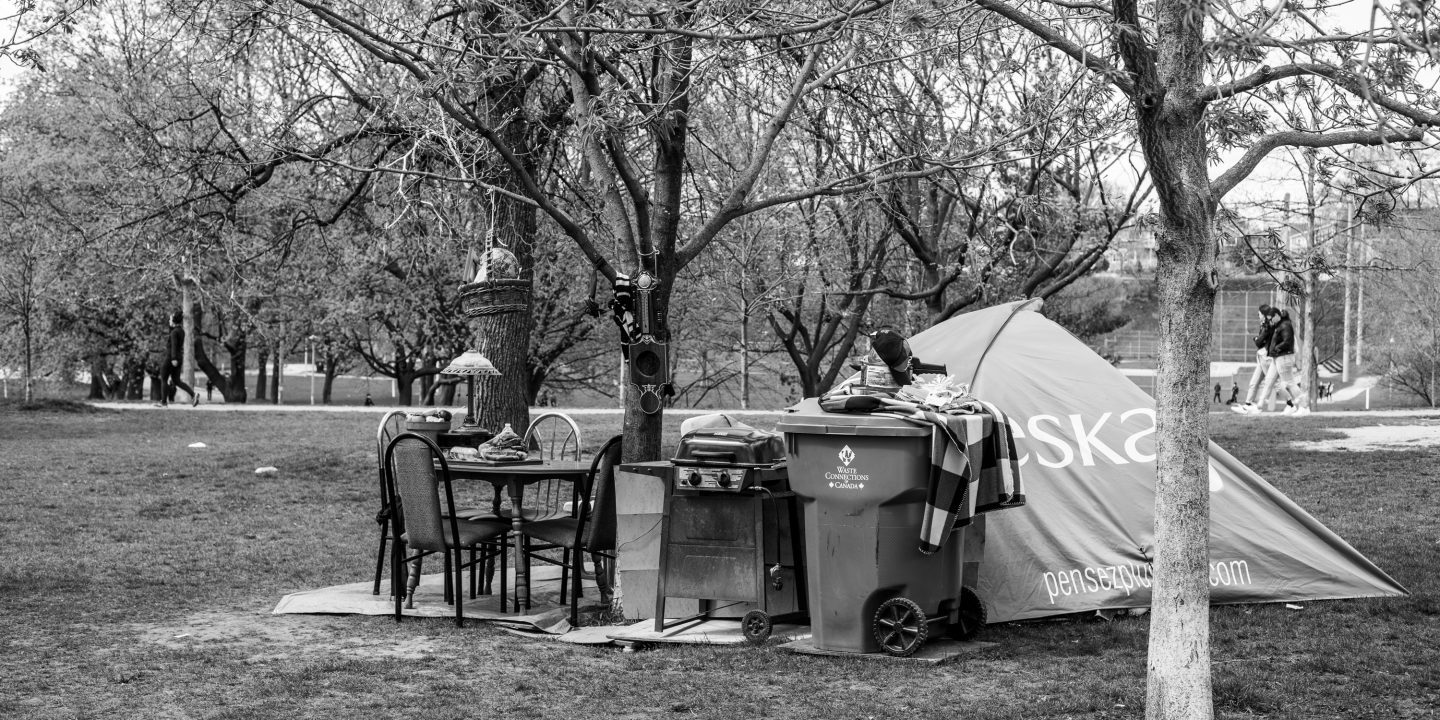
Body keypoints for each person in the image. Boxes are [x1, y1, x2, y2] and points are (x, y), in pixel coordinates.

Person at [1231, 305, 1278, 414]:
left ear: (1264, 315)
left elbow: (1259, 342)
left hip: (1266, 358)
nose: (1258, 316)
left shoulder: (1268, 326)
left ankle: (1293, 402)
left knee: (1275, 384)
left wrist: (1256, 339)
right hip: (1262, 358)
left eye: (1259, 314)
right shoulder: (1264, 325)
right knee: (1253, 382)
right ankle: (1248, 404)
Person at [1264, 309, 1310, 417]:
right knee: (1272, 382)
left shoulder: (1285, 325)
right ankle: (1291, 405)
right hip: (1277, 357)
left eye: (1271, 319)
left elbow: (1287, 341)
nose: (1271, 321)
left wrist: (1276, 348)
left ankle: (1304, 407)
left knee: (1289, 383)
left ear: (1276, 315)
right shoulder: (1279, 325)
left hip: (1284, 357)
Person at [161, 311, 199, 407]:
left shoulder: (174, 332)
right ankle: (193, 395)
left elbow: (173, 345)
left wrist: (173, 358)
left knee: (164, 379)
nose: (169, 320)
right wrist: (171, 321)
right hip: (179, 357)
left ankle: (164, 403)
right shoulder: (180, 331)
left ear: (173, 321)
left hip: (171, 358)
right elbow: (172, 332)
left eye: (170, 319)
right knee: (177, 380)